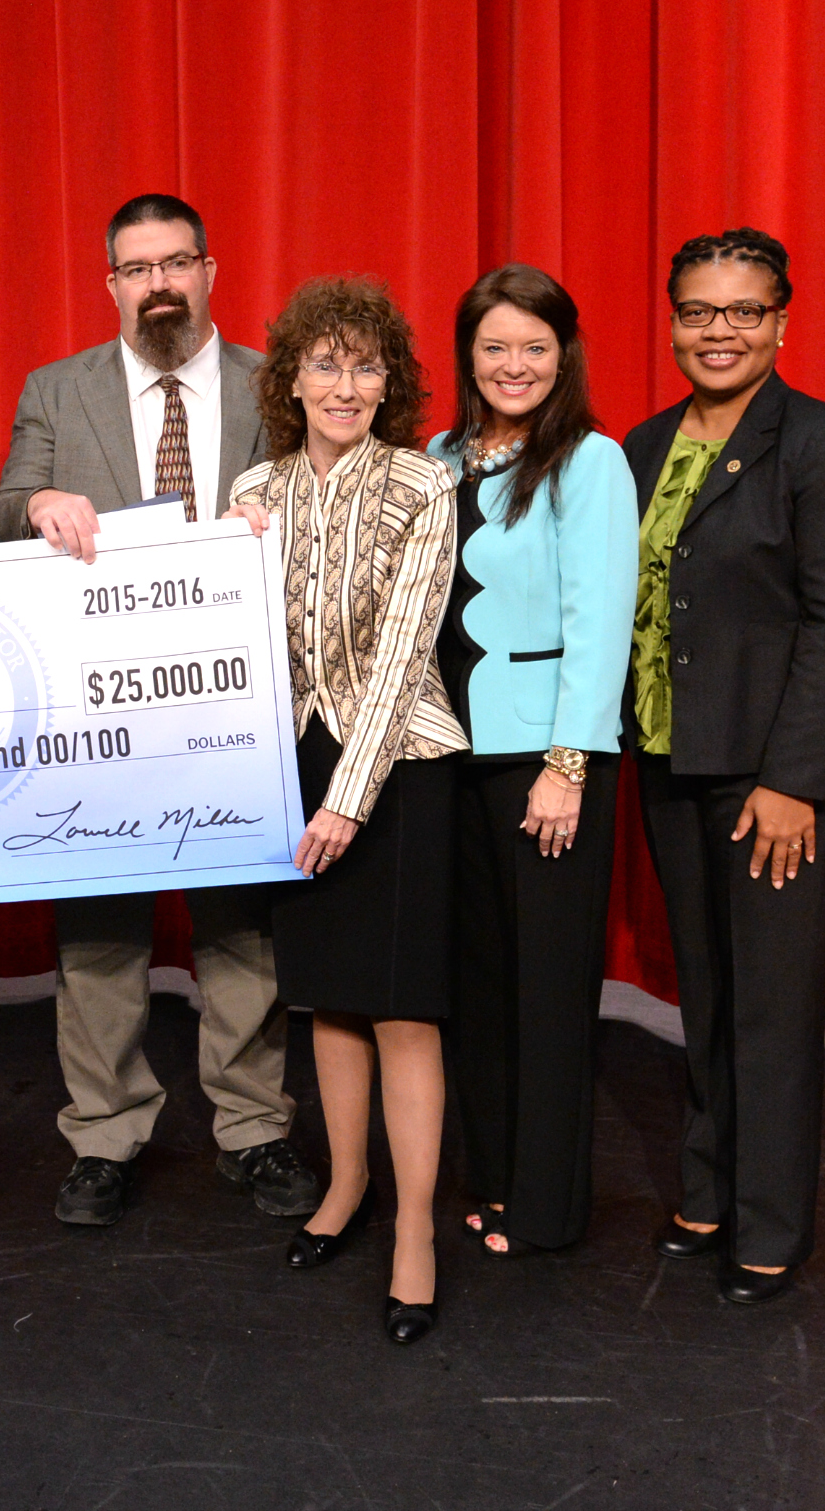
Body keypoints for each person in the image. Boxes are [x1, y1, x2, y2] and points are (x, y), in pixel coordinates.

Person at [0, 192, 318, 1226]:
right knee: (97, 929)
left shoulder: (275, 385)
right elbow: (3, 507)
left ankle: (254, 1127)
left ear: (212, 270)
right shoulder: (56, 389)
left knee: (240, 928)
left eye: (177, 261)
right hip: (99, 713)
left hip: (238, 705)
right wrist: (38, 506)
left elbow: (332, 500)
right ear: (112, 285)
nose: (159, 282)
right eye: (138, 268)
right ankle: (104, 1130)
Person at [623, 229, 825, 1304]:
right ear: (673, 316)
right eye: (698, 309)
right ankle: (708, 1184)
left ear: (783, 319)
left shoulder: (824, 441)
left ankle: (769, 1222)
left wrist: (791, 780)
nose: (717, 330)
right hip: (673, 756)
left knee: (774, 1004)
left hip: (778, 775)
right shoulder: (641, 445)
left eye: (742, 311)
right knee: (709, 989)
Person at [224, 277, 463, 1345]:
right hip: (293, 759)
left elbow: (407, 652)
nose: (346, 383)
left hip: (400, 765)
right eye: (325, 362)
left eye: (367, 365)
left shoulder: (422, 481)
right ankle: (345, 1182)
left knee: (405, 1004)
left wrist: (347, 802)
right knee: (326, 997)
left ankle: (413, 1227)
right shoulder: (255, 486)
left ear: (392, 384)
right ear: (290, 378)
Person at [425, 266, 636, 1257]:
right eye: (495, 345)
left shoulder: (589, 461)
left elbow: (602, 620)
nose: (515, 365)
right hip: (451, 754)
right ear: (468, 352)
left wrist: (570, 761)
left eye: (535, 347)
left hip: (542, 761)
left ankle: (544, 1203)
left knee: (547, 988)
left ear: (565, 355)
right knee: (479, 986)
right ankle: (495, 1178)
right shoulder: (436, 457)